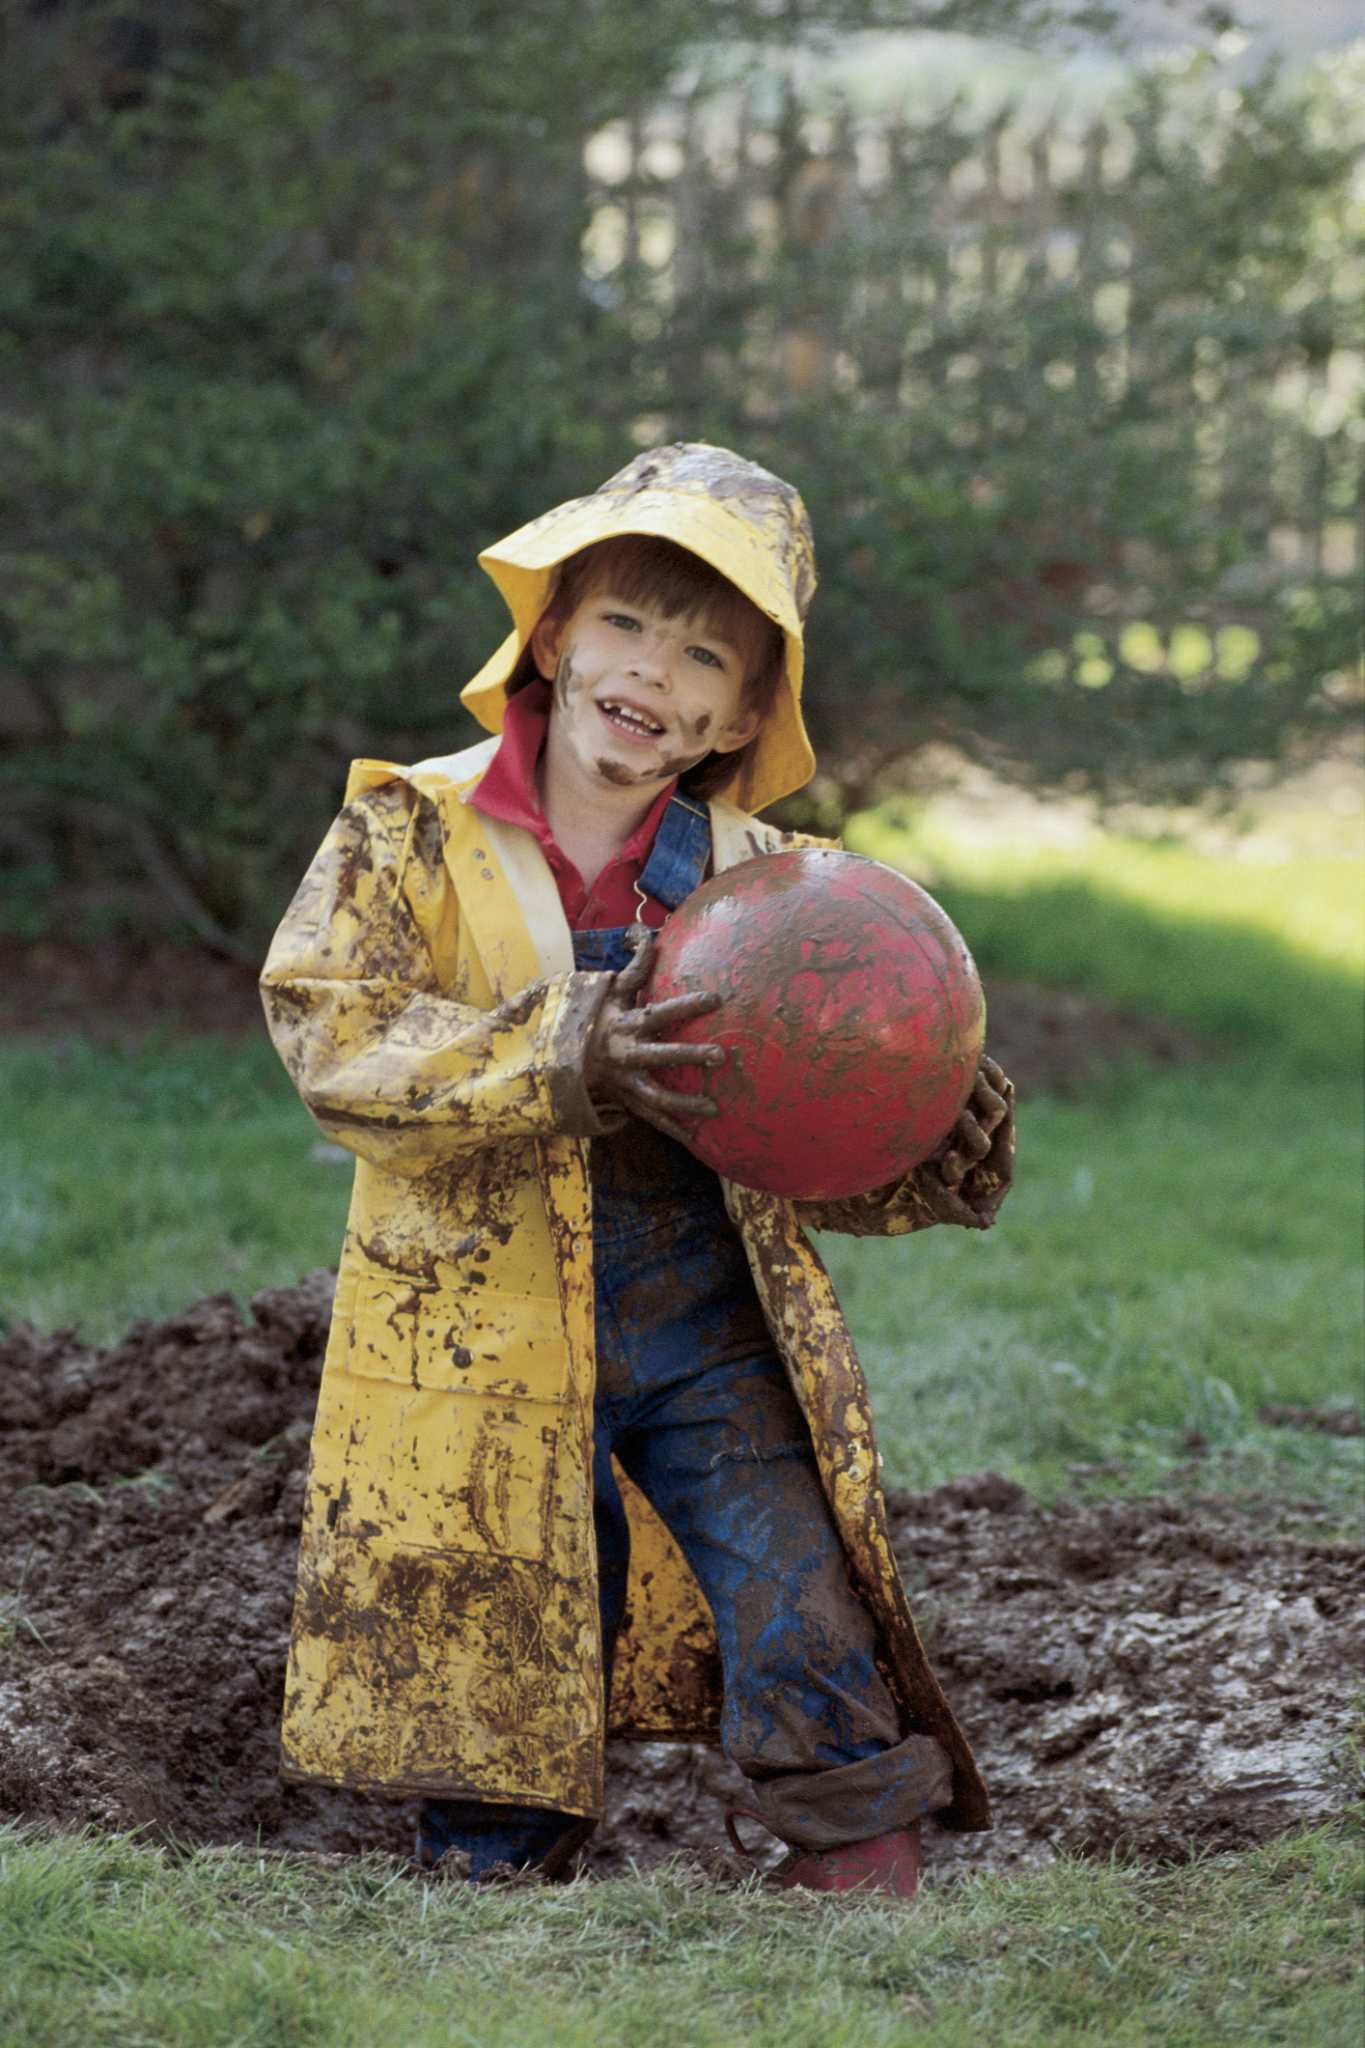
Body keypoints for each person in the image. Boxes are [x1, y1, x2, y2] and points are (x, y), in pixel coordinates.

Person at [260, 442, 1015, 1897]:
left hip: (701, 1314)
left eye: (704, 656)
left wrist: (919, 1144)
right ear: (551, 633)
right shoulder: (412, 829)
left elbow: (808, 1142)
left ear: (745, 710)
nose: (650, 674)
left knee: (791, 1561)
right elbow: (331, 1030)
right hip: (472, 1316)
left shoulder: (774, 885)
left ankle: (857, 1847)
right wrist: (563, 1055)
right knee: (501, 1581)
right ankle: (494, 1864)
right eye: (623, 625)